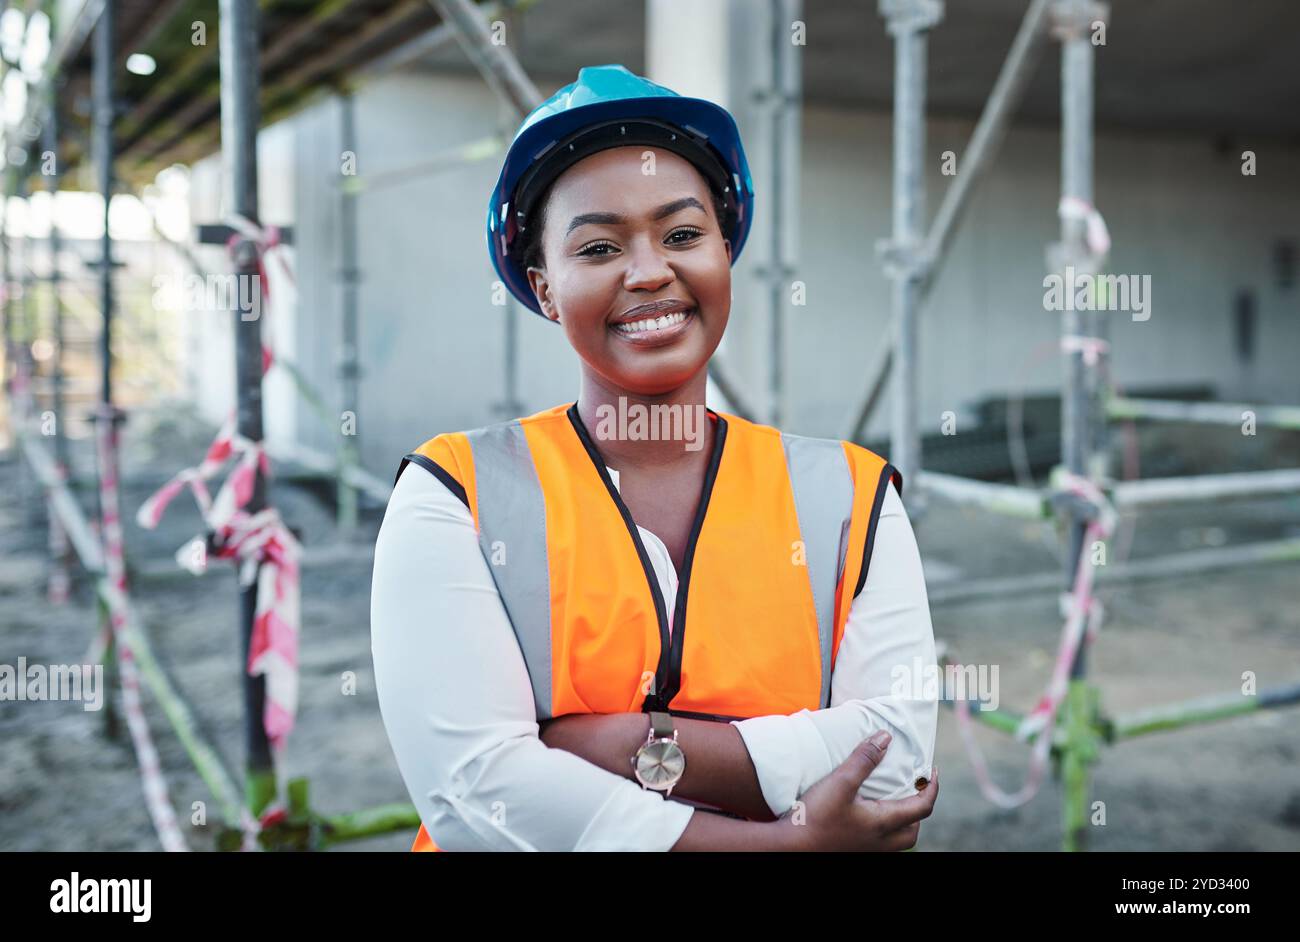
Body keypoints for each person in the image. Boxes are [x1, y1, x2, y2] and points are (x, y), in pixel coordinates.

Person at [370, 64, 939, 851]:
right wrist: (784, 845)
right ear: (543, 287)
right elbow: (476, 796)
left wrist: (625, 749)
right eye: (599, 246)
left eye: (682, 235)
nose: (649, 272)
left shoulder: (850, 492)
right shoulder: (454, 491)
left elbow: (895, 768)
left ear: (724, 252)